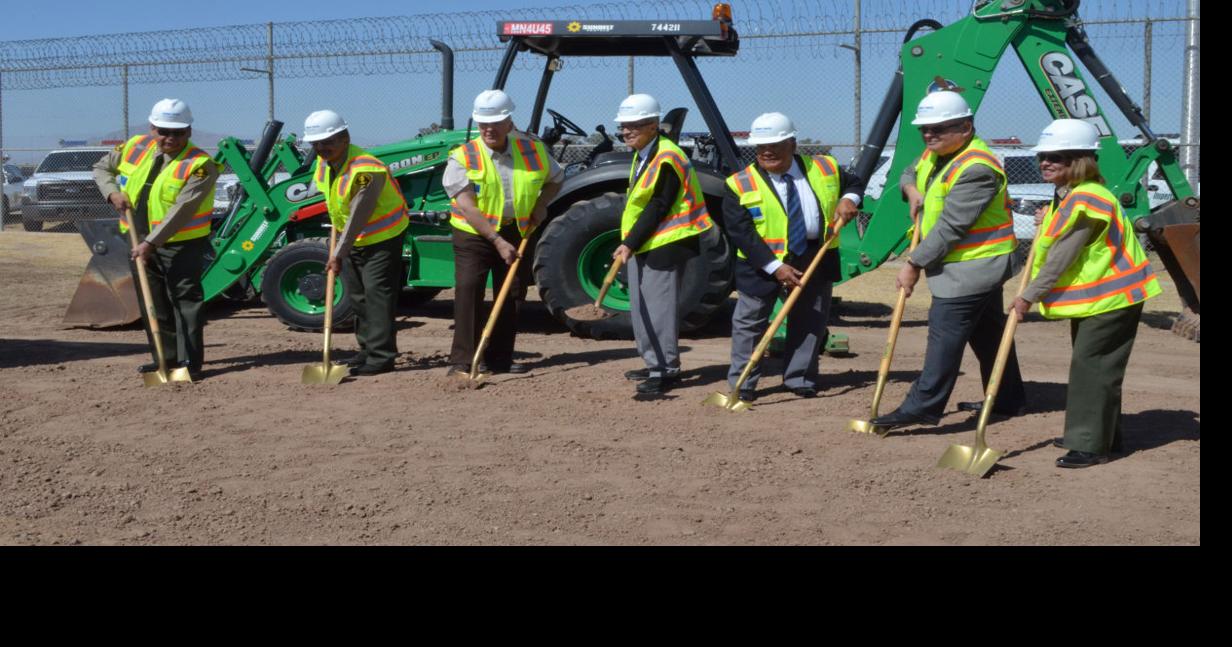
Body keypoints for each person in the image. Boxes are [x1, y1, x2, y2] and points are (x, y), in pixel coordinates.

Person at [870, 90, 1026, 429]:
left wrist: (913, 264)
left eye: (939, 128)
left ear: (966, 127)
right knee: (988, 333)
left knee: (945, 333)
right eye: (924, 129)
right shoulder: (936, 154)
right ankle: (1007, 396)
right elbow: (909, 173)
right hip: (964, 264)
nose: (929, 135)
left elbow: (951, 228)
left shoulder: (977, 169)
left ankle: (924, 405)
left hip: (975, 265)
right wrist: (912, 192)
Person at [1011, 119, 1162, 468]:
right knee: (1094, 365)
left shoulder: (1088, 198)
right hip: (1099, 298)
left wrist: (1029, 295)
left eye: (1057, 157)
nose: (1046, 162)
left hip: (1115, 296)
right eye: (1043, 156)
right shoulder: (1070, 196)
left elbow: (1063, 255)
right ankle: (1101, 435)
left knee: (1091, 366)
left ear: (1080, 160)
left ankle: (1090, 444)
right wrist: (1045, 219)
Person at [721, 112, 863, 400]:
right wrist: (776, 267)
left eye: (775, 144)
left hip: (815, 256)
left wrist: (850, 199)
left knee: (810, 321)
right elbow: (741, 233)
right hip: (762, 263)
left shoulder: (825, 167)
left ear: (793, 144)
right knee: (750, 324)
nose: (767, 151)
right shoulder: (739, 183)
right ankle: (743, 384)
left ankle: (800, 378)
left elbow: (855, 182)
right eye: (761, 146)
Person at [93, 98, 219, 380]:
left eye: (178, 132)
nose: (170, 138)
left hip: (179, 245)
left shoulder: (201, 165)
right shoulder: (135, 147)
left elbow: (182, 210)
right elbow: (101, 169)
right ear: (152, 128)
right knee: (152, 301)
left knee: (185, 301)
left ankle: (189, 361)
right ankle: (163, 357)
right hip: (136, 240)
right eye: (163, 131)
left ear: (189, 131)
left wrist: (151, 243)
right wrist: (112, 192)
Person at [443, 89, 563, 375]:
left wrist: (542, 204)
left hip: (517, 231)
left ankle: (499, 359)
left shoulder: (533, 150)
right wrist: (496, 240)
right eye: (483, 122)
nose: (489, 128)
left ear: (509, 121)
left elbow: (556, 179)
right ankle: (462, 362)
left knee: (510, 294)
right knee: (469, 290)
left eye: (496, 121)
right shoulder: (463, 157)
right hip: (474, 234)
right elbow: (468, 207)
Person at [611, 94, 715, 396]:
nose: (627, 131)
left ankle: (665, 370)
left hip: (665, 242)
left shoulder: (667, 157)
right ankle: (652, 361)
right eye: (624, 126)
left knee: (658, 310)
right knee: (641, 306)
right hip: (646, 241)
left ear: (654, 125)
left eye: (634, 126)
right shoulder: (644, 153)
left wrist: (629, 243)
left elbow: (659, 205)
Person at [305, 109, 409, 376]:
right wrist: (338, 240)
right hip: (351, 238)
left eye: (328, 141)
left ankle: (382, 355)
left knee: (377, 295)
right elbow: (331, 201)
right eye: (316, 143)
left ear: (345, 137)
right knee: (357, 296)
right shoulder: (324, 164)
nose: (321, 148)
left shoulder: (366, 169)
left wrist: (339, 252)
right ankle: (366, 349)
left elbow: (358, 215)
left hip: (382, 237)